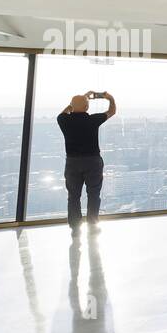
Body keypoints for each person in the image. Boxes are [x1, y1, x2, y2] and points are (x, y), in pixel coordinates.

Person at [57, 90, 116, 235]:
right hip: (92, 162)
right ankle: (92, 225)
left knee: (73, 196)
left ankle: (75, 228)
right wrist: (109, 97)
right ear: (87, 108)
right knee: (94, 194)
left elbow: (65, 112)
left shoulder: (63, 120)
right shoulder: (93, 119)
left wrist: (74, 104)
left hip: (72, 163)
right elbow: (112, 111)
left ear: (72, 105)